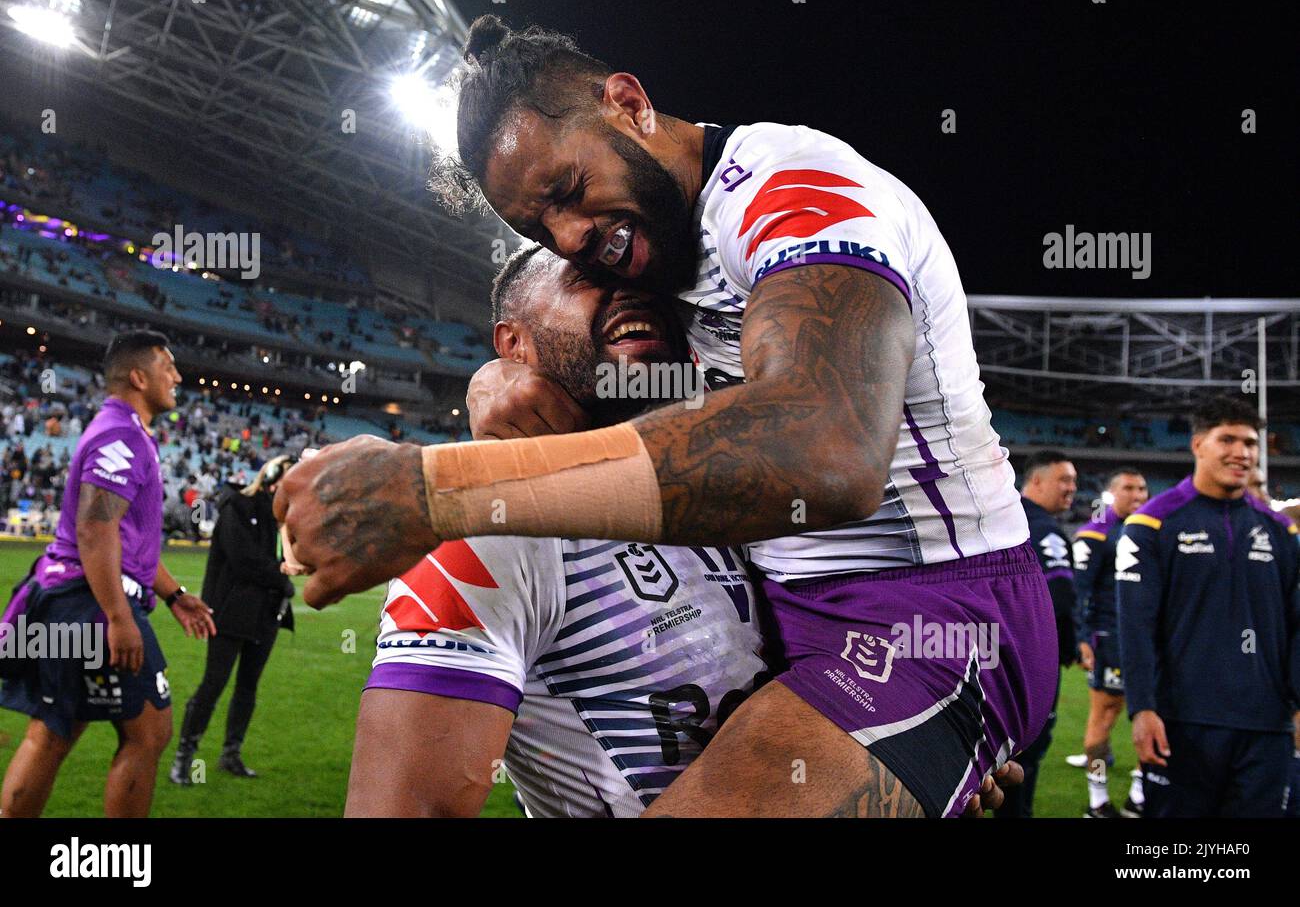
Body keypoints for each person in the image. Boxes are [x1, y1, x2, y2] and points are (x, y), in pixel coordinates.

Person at [275, 16, 1056, 817]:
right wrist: (500, 378)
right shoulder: (664, 250)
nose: (572, 237)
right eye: (539, 232)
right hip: (785, 622)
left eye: (568, 192)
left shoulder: (795, 193)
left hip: (928, 616)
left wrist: (430, 486)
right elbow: (646, 394)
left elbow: (825, 447)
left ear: (628, 103)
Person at [348, 244, 1020, 817]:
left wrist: (909, 765)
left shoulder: (745, 488)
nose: (631, 292)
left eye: (643, 284)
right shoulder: (485, 529)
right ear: (513, 343)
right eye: (588, 278)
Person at [0, 330, 215, 817]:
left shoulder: (121, 430)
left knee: (55, 727)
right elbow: (96, 530)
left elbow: (125, 542)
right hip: (88, 602)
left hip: (62, 597)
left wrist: (175, 593)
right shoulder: (122, 434)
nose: (177, 377)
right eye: (168, 367)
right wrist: (118, 617)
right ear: (139, 377)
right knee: (150, 732)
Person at [1119, 397, 1299, 817]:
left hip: (1267, 726)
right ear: (1199, 444)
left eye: (1251, 442)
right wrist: (1142, 708)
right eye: (1228, 440)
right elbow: (1136, 625)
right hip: (1182, 722)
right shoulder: (1150, 524)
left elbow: (1296, 625)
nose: (1243, 453)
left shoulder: (1279, 529)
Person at [170, 455, 296, 786]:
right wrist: (282, 577)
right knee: (214, 682)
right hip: (230, 610)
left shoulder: (282, 514)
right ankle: (184, 756)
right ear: (271, 478)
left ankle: (231, 753)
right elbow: (243, 560)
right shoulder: (238, 505)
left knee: (248, 686)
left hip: (266, 611)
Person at [996, 450, 1076, 818]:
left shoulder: (999, 518)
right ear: (1036, 481)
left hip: (989, 656)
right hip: (1032, 666)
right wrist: (1070, 643)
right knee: (1026, 756)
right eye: (1064, 480)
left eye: (1074, 482)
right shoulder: (1045, 530)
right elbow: (1060, 599)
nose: (1071, 489)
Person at [1072, 467, 1148, 818]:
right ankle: (1097, 801)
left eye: (1143, 489)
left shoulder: (1147, 530)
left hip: (1148, 640)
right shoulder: (1095, 534)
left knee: (1153, 714)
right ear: (1111, 494)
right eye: (1129, 488)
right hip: (1110, 640)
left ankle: (1139, 794)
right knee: (1104, 718)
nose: (1138, 495)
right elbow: (1078, 591)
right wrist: (1082, 637)